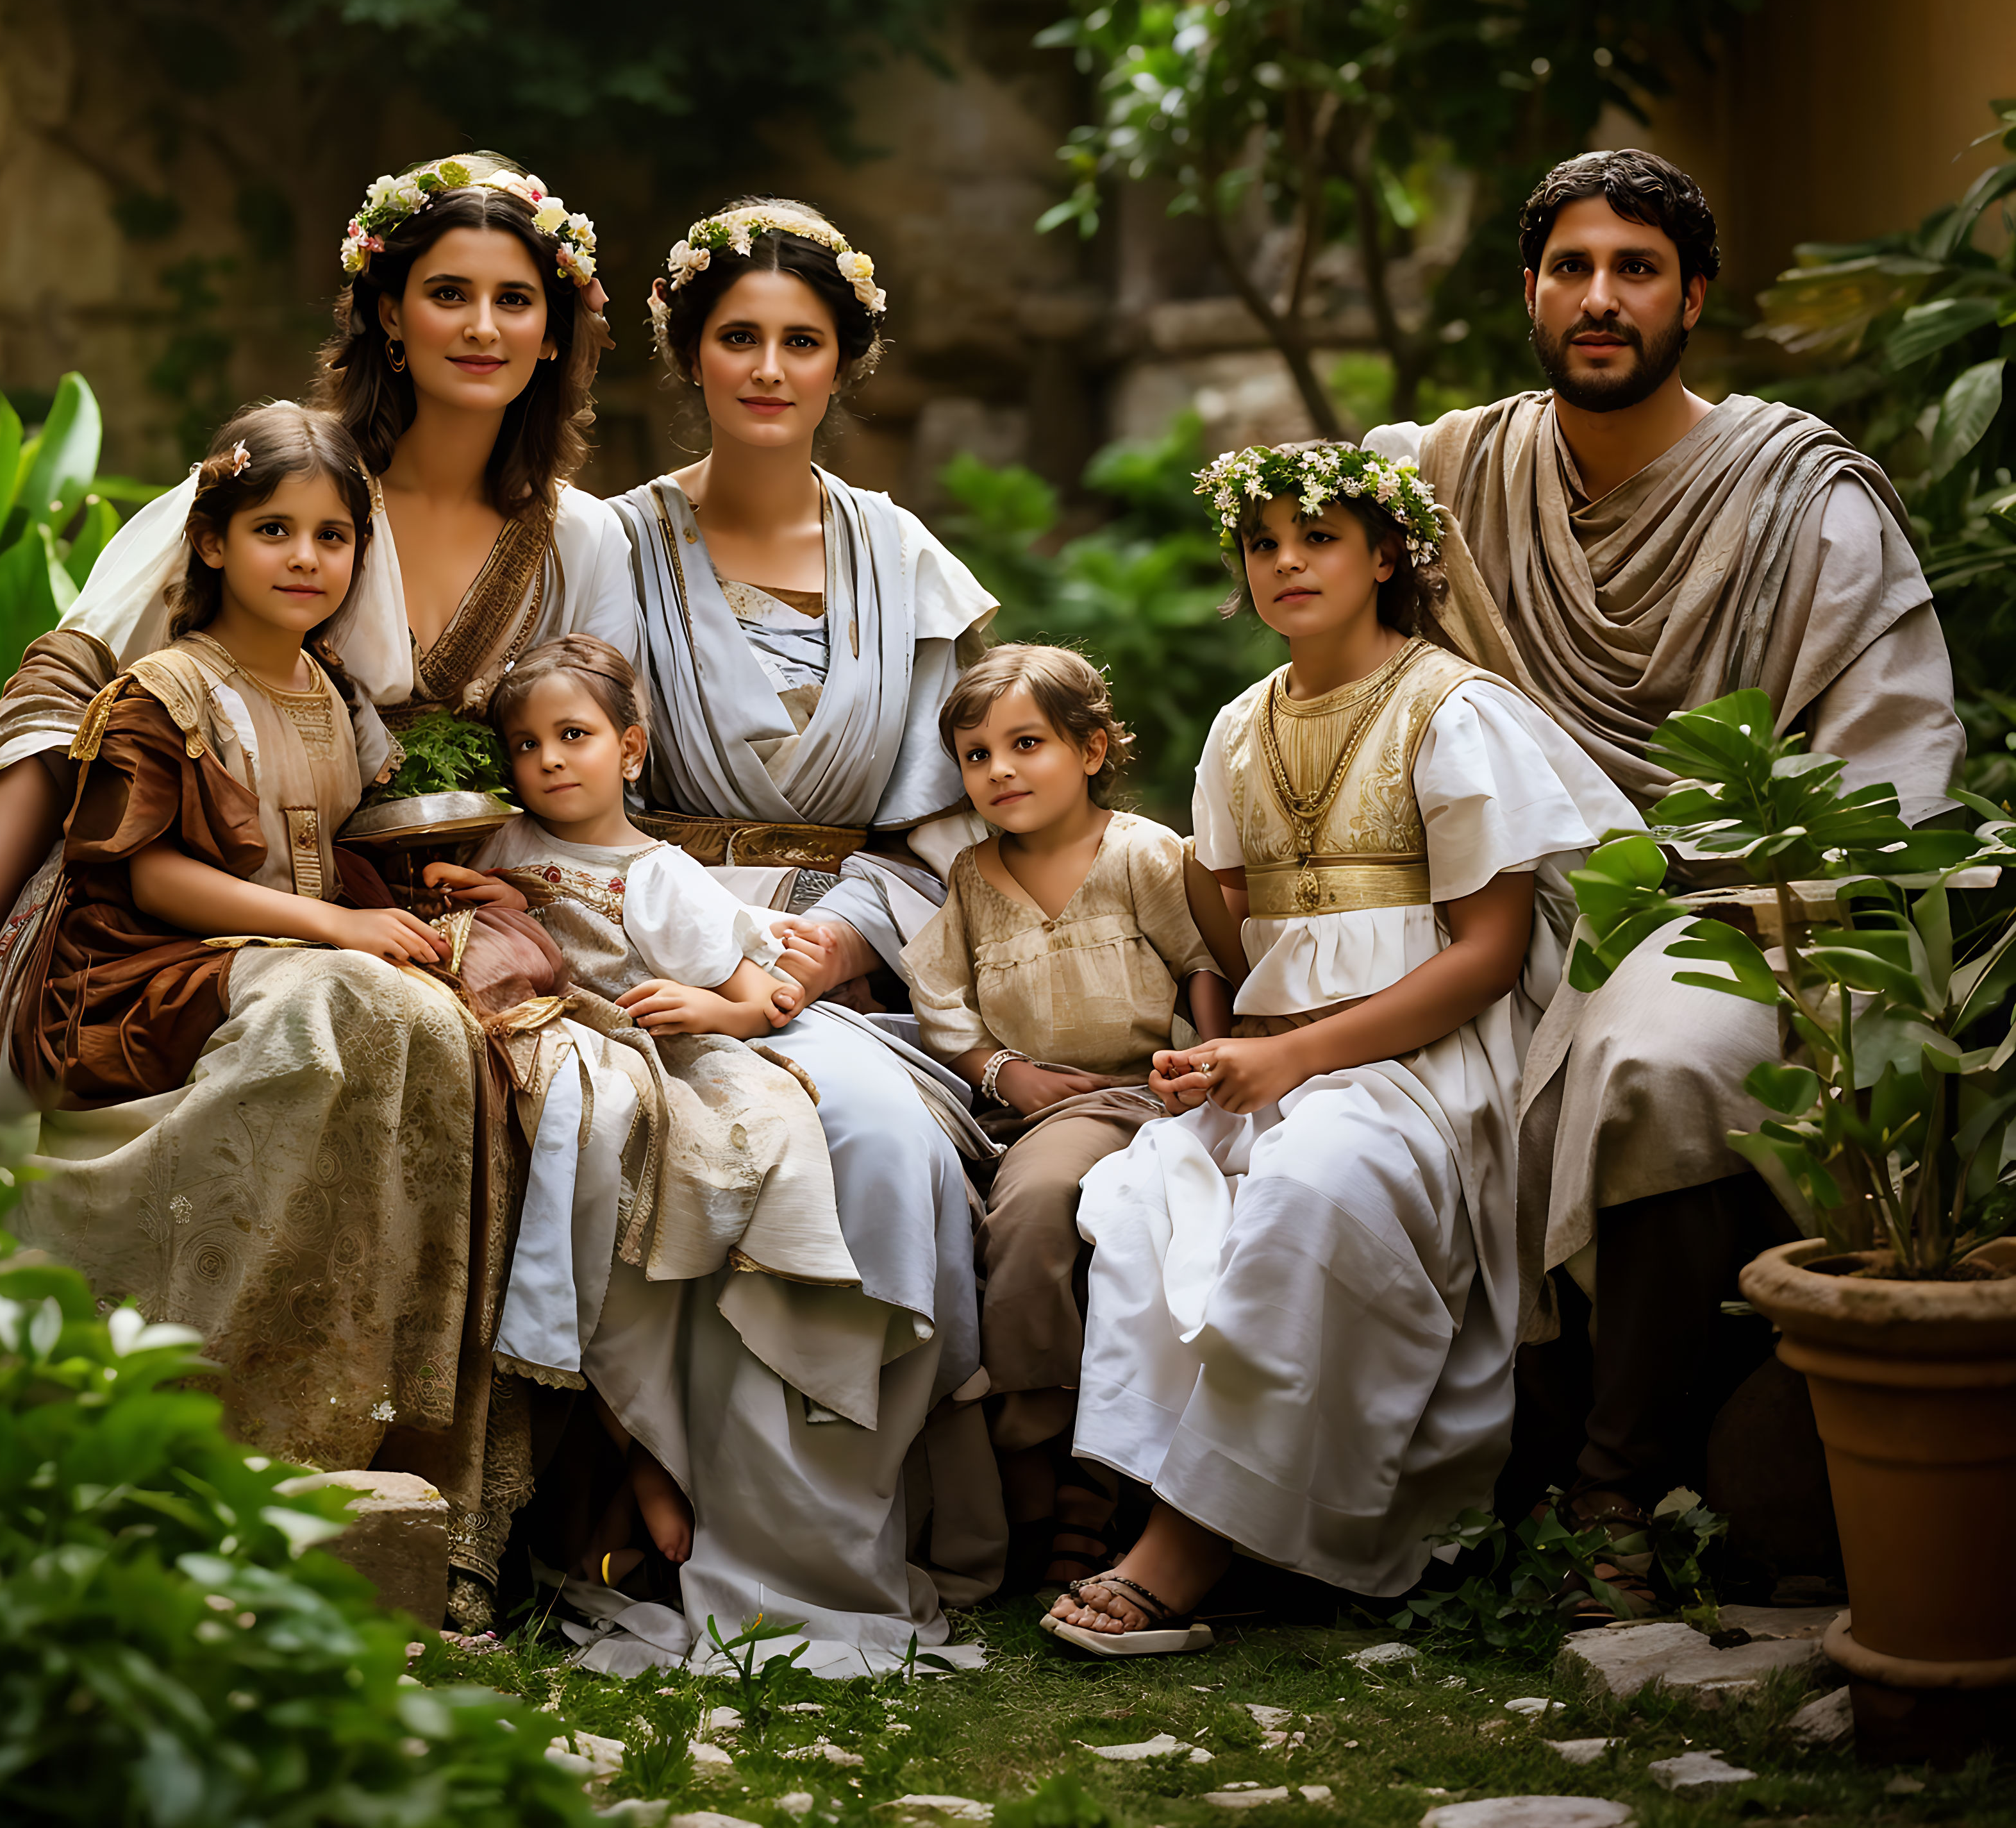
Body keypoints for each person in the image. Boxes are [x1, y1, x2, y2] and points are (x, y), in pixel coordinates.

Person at [0, 151, 638, 1622]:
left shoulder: (583, 535)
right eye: (446, 293)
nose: (482, 326)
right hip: (177, 914)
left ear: (557, 327)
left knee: (564, 1077)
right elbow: (61, 704)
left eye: (515, 298)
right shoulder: (276, 477)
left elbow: (594, 752)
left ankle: (452, 1504)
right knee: (346, 1025)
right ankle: (192, 1454)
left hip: (458, 909)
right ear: (382, 308)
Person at [1363, 149, 1964, 1550]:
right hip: (1498, 904)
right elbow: (1330, 659)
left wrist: (1770, 897)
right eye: (1569, 267)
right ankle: (1390, 1495)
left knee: (1654, 1060)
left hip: (1729, 905)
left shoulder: (1797, 496)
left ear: (1692, 297)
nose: (1597, 296)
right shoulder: (1449, 478)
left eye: (1633, 269)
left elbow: (1889, 761)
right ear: (1526, 291)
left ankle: (1610, 1483)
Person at [0, 408, 566, 1627]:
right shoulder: (165, 690)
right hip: (148, 965)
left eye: (333, 536)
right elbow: (146, 877)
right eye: (272, 529)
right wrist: (334, 930)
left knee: (442, 1030)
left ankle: (373, 1416)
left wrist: (421, 896)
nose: (305, 557)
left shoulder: (335, 695)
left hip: (282, 947)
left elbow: (338, 846)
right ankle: (217, 1424)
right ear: (215, 543)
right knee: (335, 1004)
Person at [1044, 443, 1635, 1656]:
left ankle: (1186, 1548)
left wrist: (1300, 1057)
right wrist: (1228, 1055)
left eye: (1317, 537)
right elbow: (1239, 933)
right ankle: (1189, 1495)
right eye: (1261, 543)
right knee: (1152, 1191)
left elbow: (1483, 953)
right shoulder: (1236, 731)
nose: (1286, 562)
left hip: (1429, 1061)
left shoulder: (1452, 710)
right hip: (1282, 1060)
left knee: (1319, 1185)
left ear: (1386, 555)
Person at [597, 198, 1008, 1675]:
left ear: (844, 362)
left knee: (887, 1146)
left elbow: (940, 823)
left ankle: (842, 1543)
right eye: (738, 337)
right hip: (650, 939)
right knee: (728, 1135)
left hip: (847, 964)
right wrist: (711, 954)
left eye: (800, 340)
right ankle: (710, 1531)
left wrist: (820, 954)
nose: (767, 365)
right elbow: (573, 771)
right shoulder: (614, 545)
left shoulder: (902, 558)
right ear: (688, 353)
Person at [431, 633, 866, 1607]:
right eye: (526, 743)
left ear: (629, 750)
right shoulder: (503, 844)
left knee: (637, 1219)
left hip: (639, 1054)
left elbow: (760, 998)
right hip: (539, 1052)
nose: (547, 759)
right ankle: (591, 1469)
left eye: (573, 735)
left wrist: (710, 1010)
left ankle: (649, 1455)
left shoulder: (656, 875)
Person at [904, 643, 1230, 1586]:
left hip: (1133, 1092)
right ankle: (1027, 1457)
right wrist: (1006, 1075)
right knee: (989, 1200)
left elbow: (1201, 962)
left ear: (1090, 750)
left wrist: (1204, 1066)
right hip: (1024, 1106)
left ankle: (1051, 1445)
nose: (999, 771)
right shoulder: (970, 880)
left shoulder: (1140, 854)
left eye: (1027, 743)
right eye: (976, 756)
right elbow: (944, 1013)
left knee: (1044, 1202)